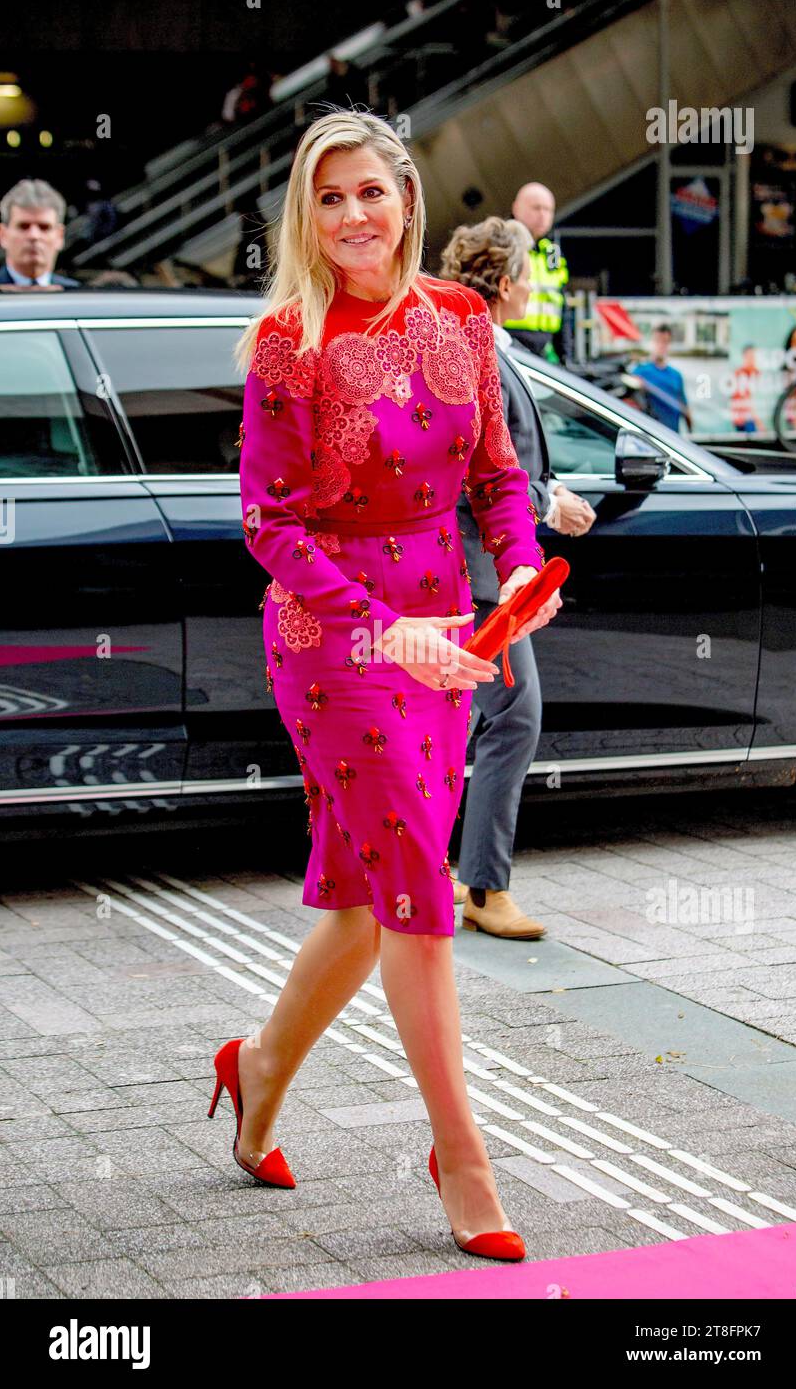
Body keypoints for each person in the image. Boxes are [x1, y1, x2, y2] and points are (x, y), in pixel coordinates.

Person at [223, 107, 563, 1262]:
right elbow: (267, 521)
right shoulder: (286, 341)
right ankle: (460, 1154)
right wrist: (382, 632)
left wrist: (516, 567)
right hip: (333, 639)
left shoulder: (463, 319)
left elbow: (496, 478)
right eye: (329, 198)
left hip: (446, 637)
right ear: (304, 218)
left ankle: (257, 1070)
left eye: (371, 192)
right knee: (416, 883)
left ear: (408, 199)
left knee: (369, 901)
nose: (353, 216)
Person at [440, 216, 596, 938]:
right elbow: (476, 471)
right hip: (476, 573)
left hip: (473, 567)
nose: (534, 286)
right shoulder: (478, 353)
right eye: (528, 274)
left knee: (473, 720)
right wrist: (548, 500)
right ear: (505, 284)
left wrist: (541, 492)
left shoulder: (479, 345)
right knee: (514, 715)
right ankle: (483, 887)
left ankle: (450, 874)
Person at [503, 181, 569, 363]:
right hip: (509, 344)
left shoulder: (552, 254)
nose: (543, 215)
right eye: (536, 208)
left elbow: (562, 307)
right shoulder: (502, 247)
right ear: (516, 208)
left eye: (548, 210)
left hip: (545, 351)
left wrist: (565, 358)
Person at [0, 179, 79, 287]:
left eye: (44, 227)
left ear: (59, 236)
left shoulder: (75, 297)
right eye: (23, 226)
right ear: (3, 235)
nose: (34, 236)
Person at [629, 324, 693, 433]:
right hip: (649, 436)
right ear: (652, 342)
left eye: (665, 342)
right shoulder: (639, 372)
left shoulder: (676, 376)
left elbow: (685, 409)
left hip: (672, 438)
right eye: (657, 341)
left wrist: (691, 431)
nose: (661, 345)